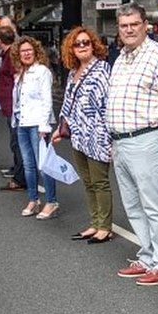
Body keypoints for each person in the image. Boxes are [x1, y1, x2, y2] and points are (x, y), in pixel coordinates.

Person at [107, 2, 158, 287]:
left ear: (145, 25)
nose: (129, 29)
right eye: (123, 25)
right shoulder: (120, 58)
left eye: (134, 24)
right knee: (133, 205)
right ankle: (148, 255)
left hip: (147, 138)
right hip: (121, 141)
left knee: (155, 204)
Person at [52, 26, 114, 244]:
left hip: (97, 135)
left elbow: (108, 106)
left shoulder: (102, 69)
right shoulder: (73, 72)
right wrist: (60, 129)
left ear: (93, 45)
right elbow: (68, 104)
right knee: (88, 182)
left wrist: (110, 137)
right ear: (71, 48)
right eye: (77, 43)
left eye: (86, 42)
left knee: (100, 182)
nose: (82, 46)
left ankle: (105, 227)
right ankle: (95, 223)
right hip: (79, 136)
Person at [11, 36, 59, 220]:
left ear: (36, 51)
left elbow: (47, 100)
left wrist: (44, 126)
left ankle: (52, 201)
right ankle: (33, 199)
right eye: (23, 51)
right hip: (22, 123)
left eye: (29, 50)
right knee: (28, 165)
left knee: (43, 165)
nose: (26, 53)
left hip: (37, 125)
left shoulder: (42, 72)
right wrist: (15, 120)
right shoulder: (21, 73)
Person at [0, 24, 26, 191]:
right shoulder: (8, 54)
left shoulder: (11, 56)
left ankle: (21, 178)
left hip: (14, 106)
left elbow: (17, 79)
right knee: (16, 142)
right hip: (10, 104)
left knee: (17, 142)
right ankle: (19, 172)